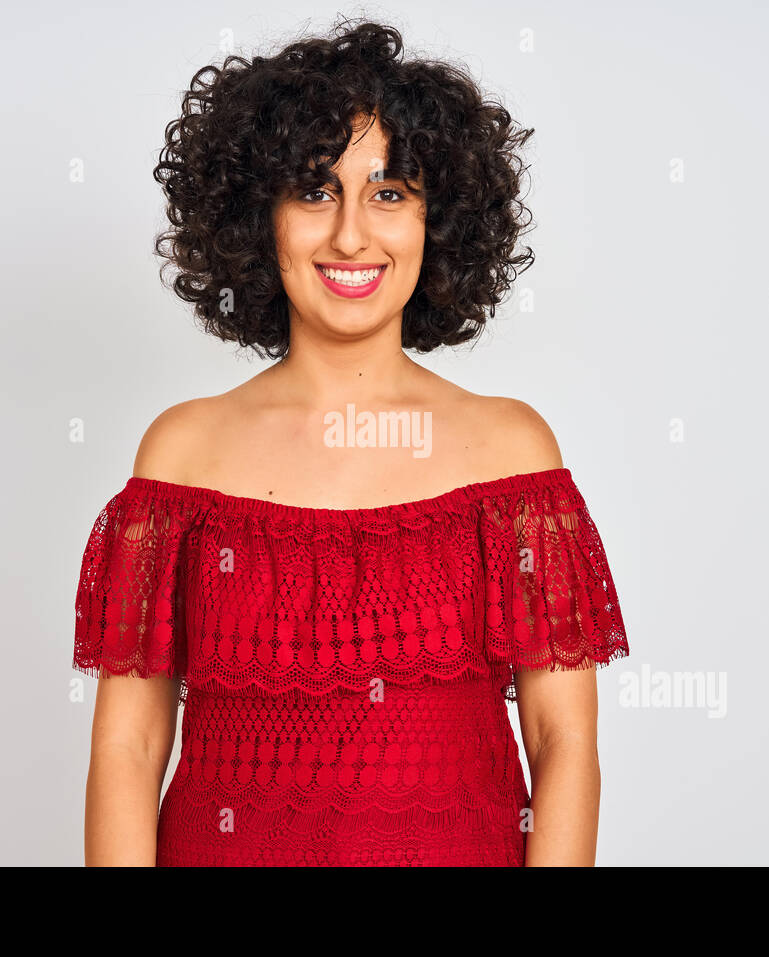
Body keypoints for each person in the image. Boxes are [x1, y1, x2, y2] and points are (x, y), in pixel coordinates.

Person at [73, 19, 630, 866]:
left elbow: (564, 742)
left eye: (390, 192)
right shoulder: (181, 454)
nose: (350, 236)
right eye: (315, 191)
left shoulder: (513, 455)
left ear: (439, 221)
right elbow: (128, 750)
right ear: (259, 216)